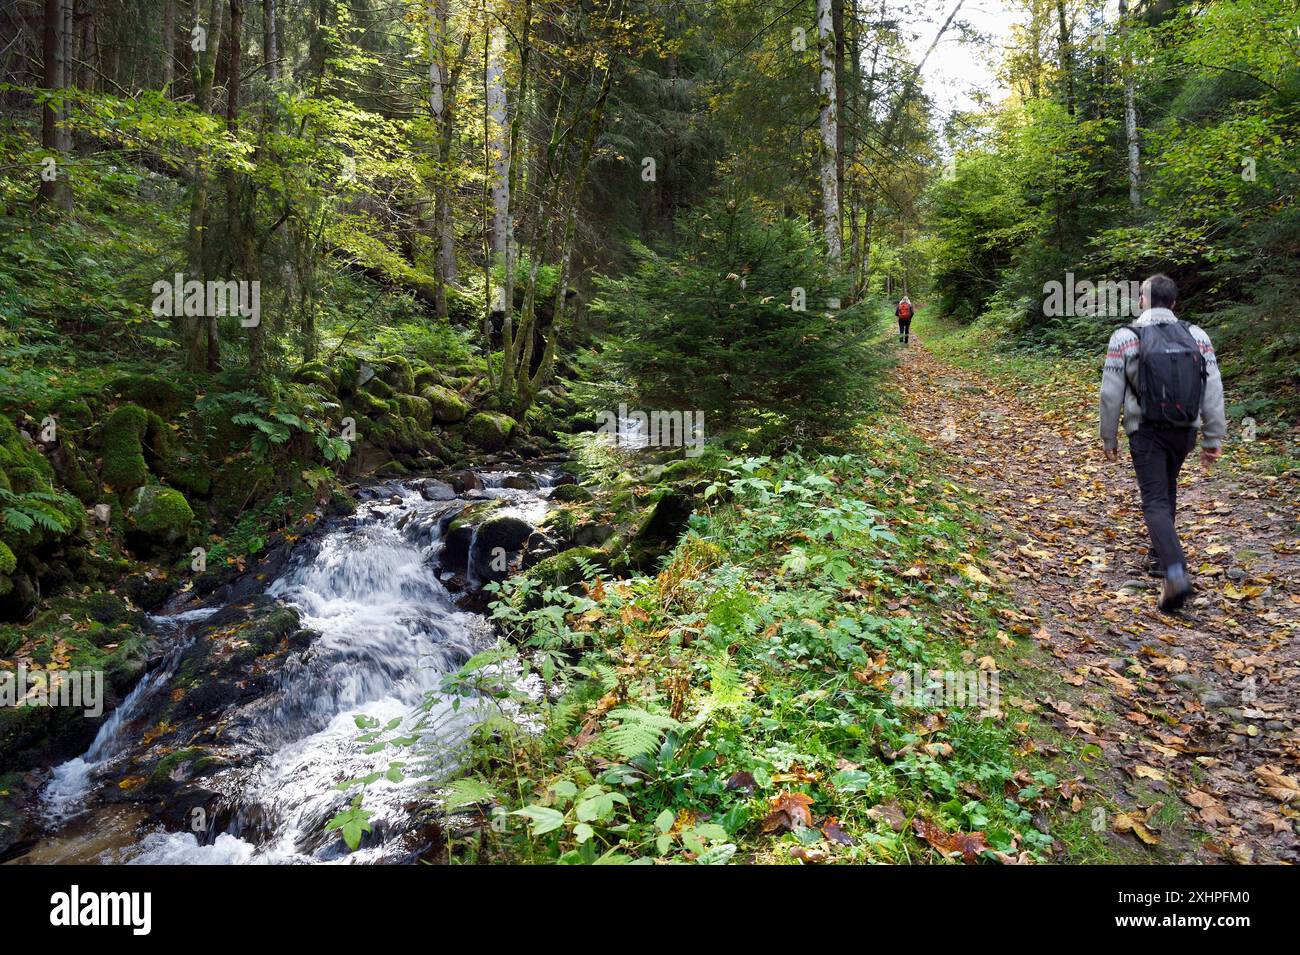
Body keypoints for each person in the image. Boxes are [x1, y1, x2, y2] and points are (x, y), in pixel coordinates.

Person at [1100, 274, 1227, 611]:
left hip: (1146, 430)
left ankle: (1175, 571)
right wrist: (1212, 436)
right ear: (1173, 303)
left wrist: (1108, 435)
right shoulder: (1196, 335)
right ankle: (1160, 556)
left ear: (1143, 301)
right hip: (1184, 430)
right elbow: (1213, 387)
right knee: (1167, 485)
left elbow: (1110, 392)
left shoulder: (1125, 337)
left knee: (1154, 499)